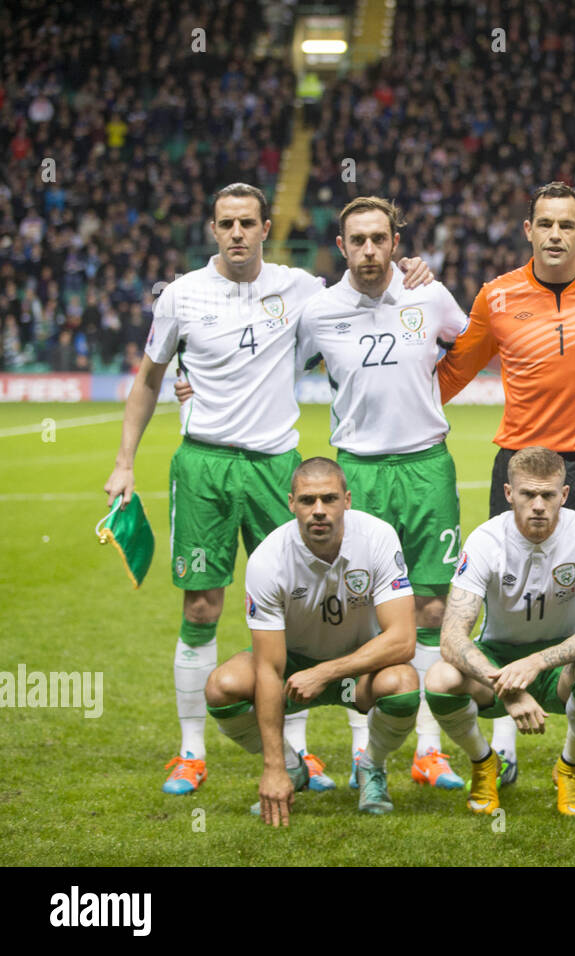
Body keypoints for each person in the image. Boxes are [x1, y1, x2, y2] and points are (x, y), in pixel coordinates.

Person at [104, 182, 430, 796]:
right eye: (225, 223)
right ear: (212, 229)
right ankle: (190, 751)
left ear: (263, 228)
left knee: (299, 608)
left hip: (276, 467)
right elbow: (149, 379)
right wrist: (125, 462)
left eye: (247, 223)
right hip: (202, 464)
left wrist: (414, 268)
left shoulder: (299, 288)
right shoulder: (182, 296)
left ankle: (300, 754)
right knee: (200, 606)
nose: (236, 234)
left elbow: (367, 282)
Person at [436, 181, 575, 789]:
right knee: (507, 597)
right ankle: (508, 744)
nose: (555, 234)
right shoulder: (496, 296)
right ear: (528, 230)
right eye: (544, 224)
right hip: (523, 468)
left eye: (566, 224)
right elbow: (453, 372)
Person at [294, 195, 471, 793]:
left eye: (379, 238)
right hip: (359, 473)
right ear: (341, 247)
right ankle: (362, 753)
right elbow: (274, 367)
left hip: (427, 467)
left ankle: (427, 750)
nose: (369, 250)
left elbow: (469, 348)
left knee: (430, 609)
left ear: (396, 241)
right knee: (362, 617)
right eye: (357, 240)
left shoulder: (431, 295)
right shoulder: (319, 311)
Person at [203, 458, 420, 824]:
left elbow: (402, 641)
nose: (318, 510)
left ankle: (372, 767)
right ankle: (291, 766)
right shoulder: (268, 560)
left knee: (403, 685)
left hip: (359, 668)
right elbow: (270, 669)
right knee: (223, 687)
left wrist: (326, 673)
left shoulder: (378, 537)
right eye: (307, 500)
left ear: (347, 500)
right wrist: (273, 769)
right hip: (293, 669)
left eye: (329, 498)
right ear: (291, 503)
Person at [424, 447, 575, 817]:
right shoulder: (485, 539)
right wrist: (509, 689)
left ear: (563, 495)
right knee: (439, 677)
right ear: (509, 493)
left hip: (559, 664)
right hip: (497, 661)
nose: (539, 505)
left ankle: (569, 767)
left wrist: (535, 663)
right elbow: (451, 637)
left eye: (548, 495)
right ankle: (484, 762)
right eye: (528, 494)